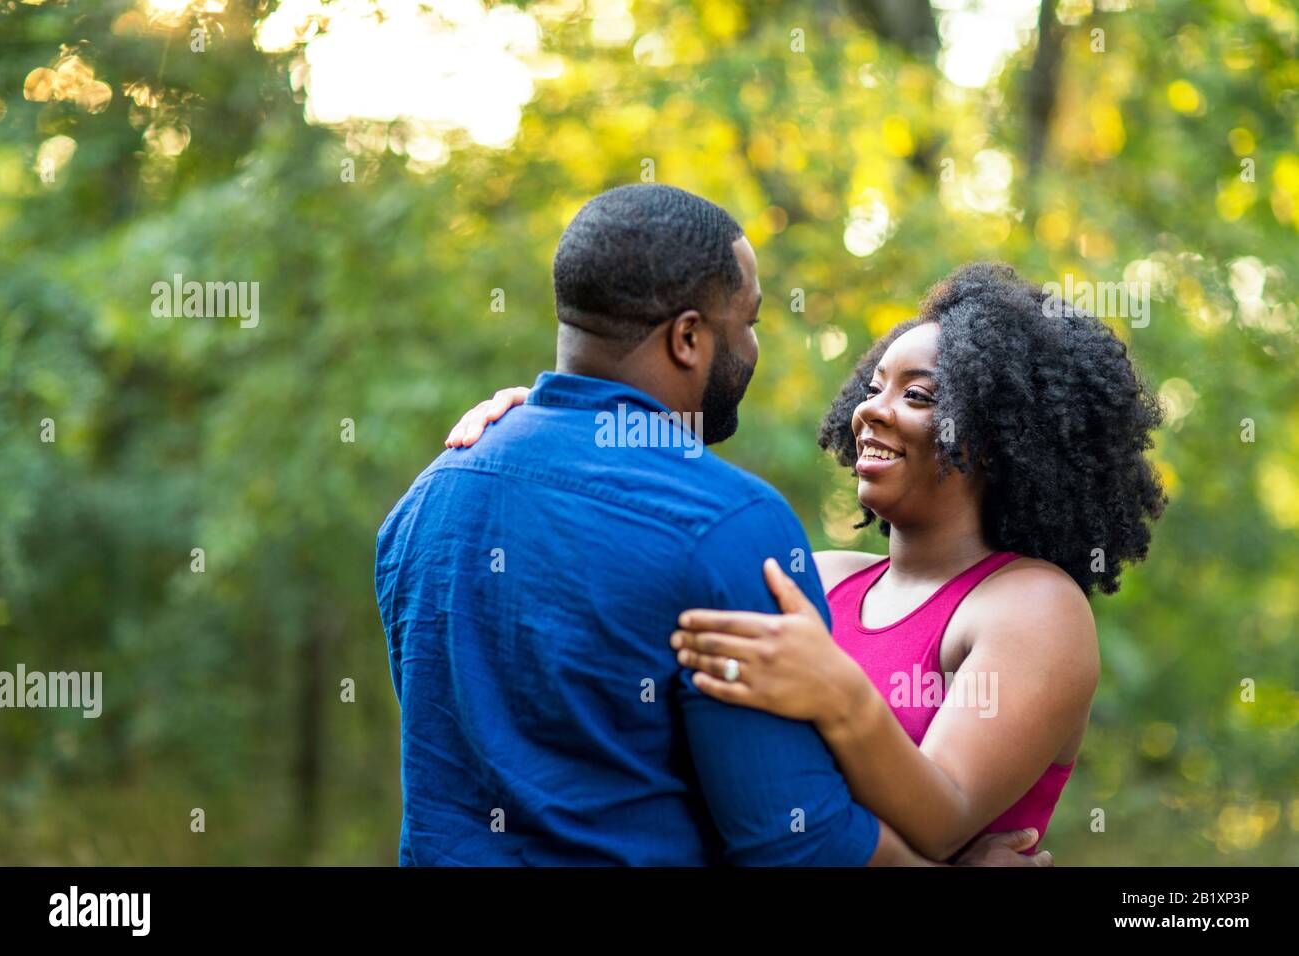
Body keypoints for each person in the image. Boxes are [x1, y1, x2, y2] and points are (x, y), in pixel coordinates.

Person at [378, 183, 1043, 865]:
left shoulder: (428, 499)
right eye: (747, 321)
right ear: (689, 337)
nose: (752, 345)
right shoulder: (730, 529)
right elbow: (792, 840)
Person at [446, 261, 1167, 860]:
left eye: (916, 395)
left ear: (996, 435)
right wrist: (551, 425)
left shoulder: (1031, 607)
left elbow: (943, 814)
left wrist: (838, 692)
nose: (871, 410)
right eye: (875, 385)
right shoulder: (819, 576)